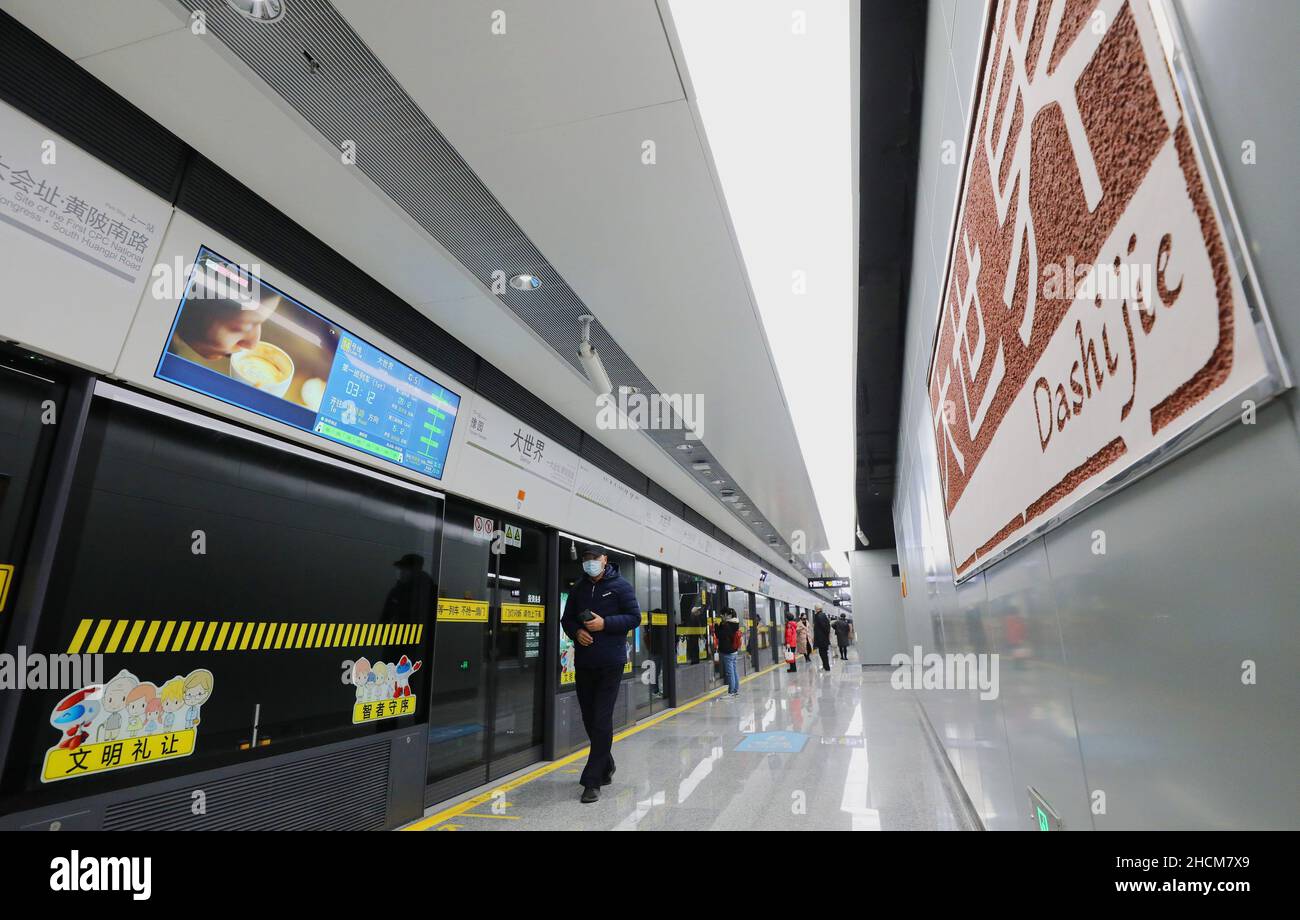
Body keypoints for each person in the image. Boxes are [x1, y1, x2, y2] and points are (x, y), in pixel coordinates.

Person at [560, 544, 641, 804]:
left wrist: (605, 623)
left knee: (602, 717)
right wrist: (577, 632)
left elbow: (634, 618)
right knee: (589, 717)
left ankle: (592, 781)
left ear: (605, 560)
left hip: (611, 662)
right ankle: (606, 764)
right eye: (586, 559)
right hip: (584, 662)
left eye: (594, 558)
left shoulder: (621, 586)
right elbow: (567, 619)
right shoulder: (579, 588)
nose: (589, 563)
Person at [716, 607, 742, 697]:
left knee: (730, 672)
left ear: (727, 615)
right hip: (733, 651)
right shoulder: (735, 623)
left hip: (728, 652)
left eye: (722, 615)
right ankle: (735, 690)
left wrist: (716, 625)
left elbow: (719, 635)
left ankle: (731, 692)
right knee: (734, 671)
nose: (721, 616)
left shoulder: (728, 625)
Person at [813, 605, 832, 672]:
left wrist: (824, 635)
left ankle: (826, 667)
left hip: (821, 638)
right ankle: (825, 666)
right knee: (823, 653)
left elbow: (824, 627)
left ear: (817, 609)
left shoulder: (819, 616)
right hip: (823, 638)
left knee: (823, 653)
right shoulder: (823, 615)